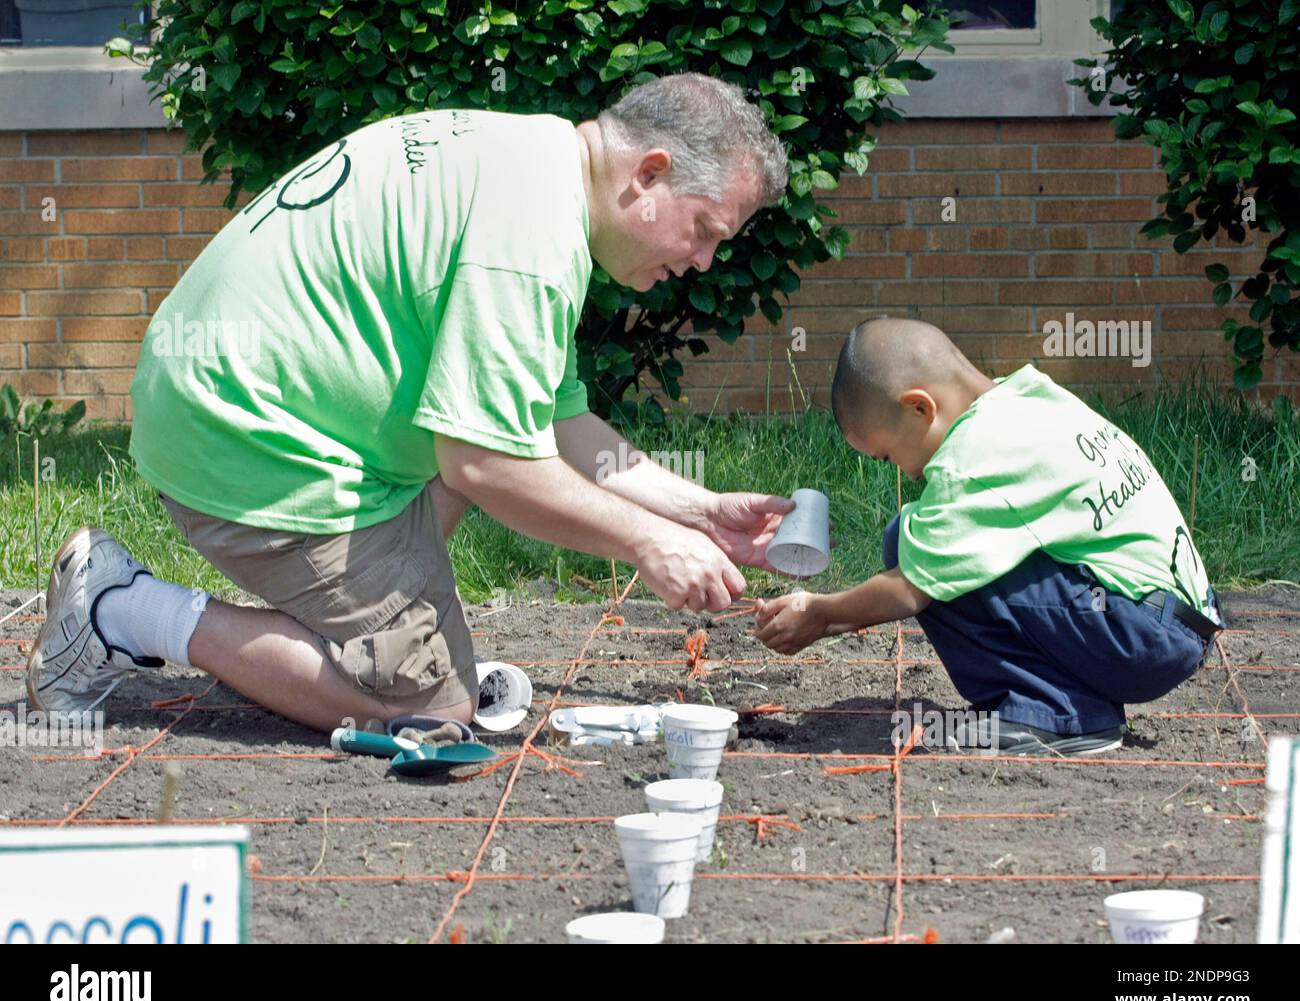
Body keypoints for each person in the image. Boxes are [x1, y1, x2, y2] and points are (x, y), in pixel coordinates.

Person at [27, 74, 793, 734]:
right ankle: (119, 610)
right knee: (432, 709)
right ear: (650, 173)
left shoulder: (532, 165)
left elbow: (551, 427)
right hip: (242, 436)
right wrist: (646, 543)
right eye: (704, 232)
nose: (700, 261)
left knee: (477, 458)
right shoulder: (527, 247)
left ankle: (351, 618)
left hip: (231, 398)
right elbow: (490, 465)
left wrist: (696, 511)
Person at [755, 317, 1225, 756]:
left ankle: (1059, 717)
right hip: (1173, 622)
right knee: (927, 541)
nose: (903, 470)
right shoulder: (1028, 399)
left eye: (887, 456)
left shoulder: (974, 462)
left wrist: (819, 613)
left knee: (909, 544)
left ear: (920, 408)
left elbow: (907, 589)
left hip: (1141, 636)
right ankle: (1074, 707)